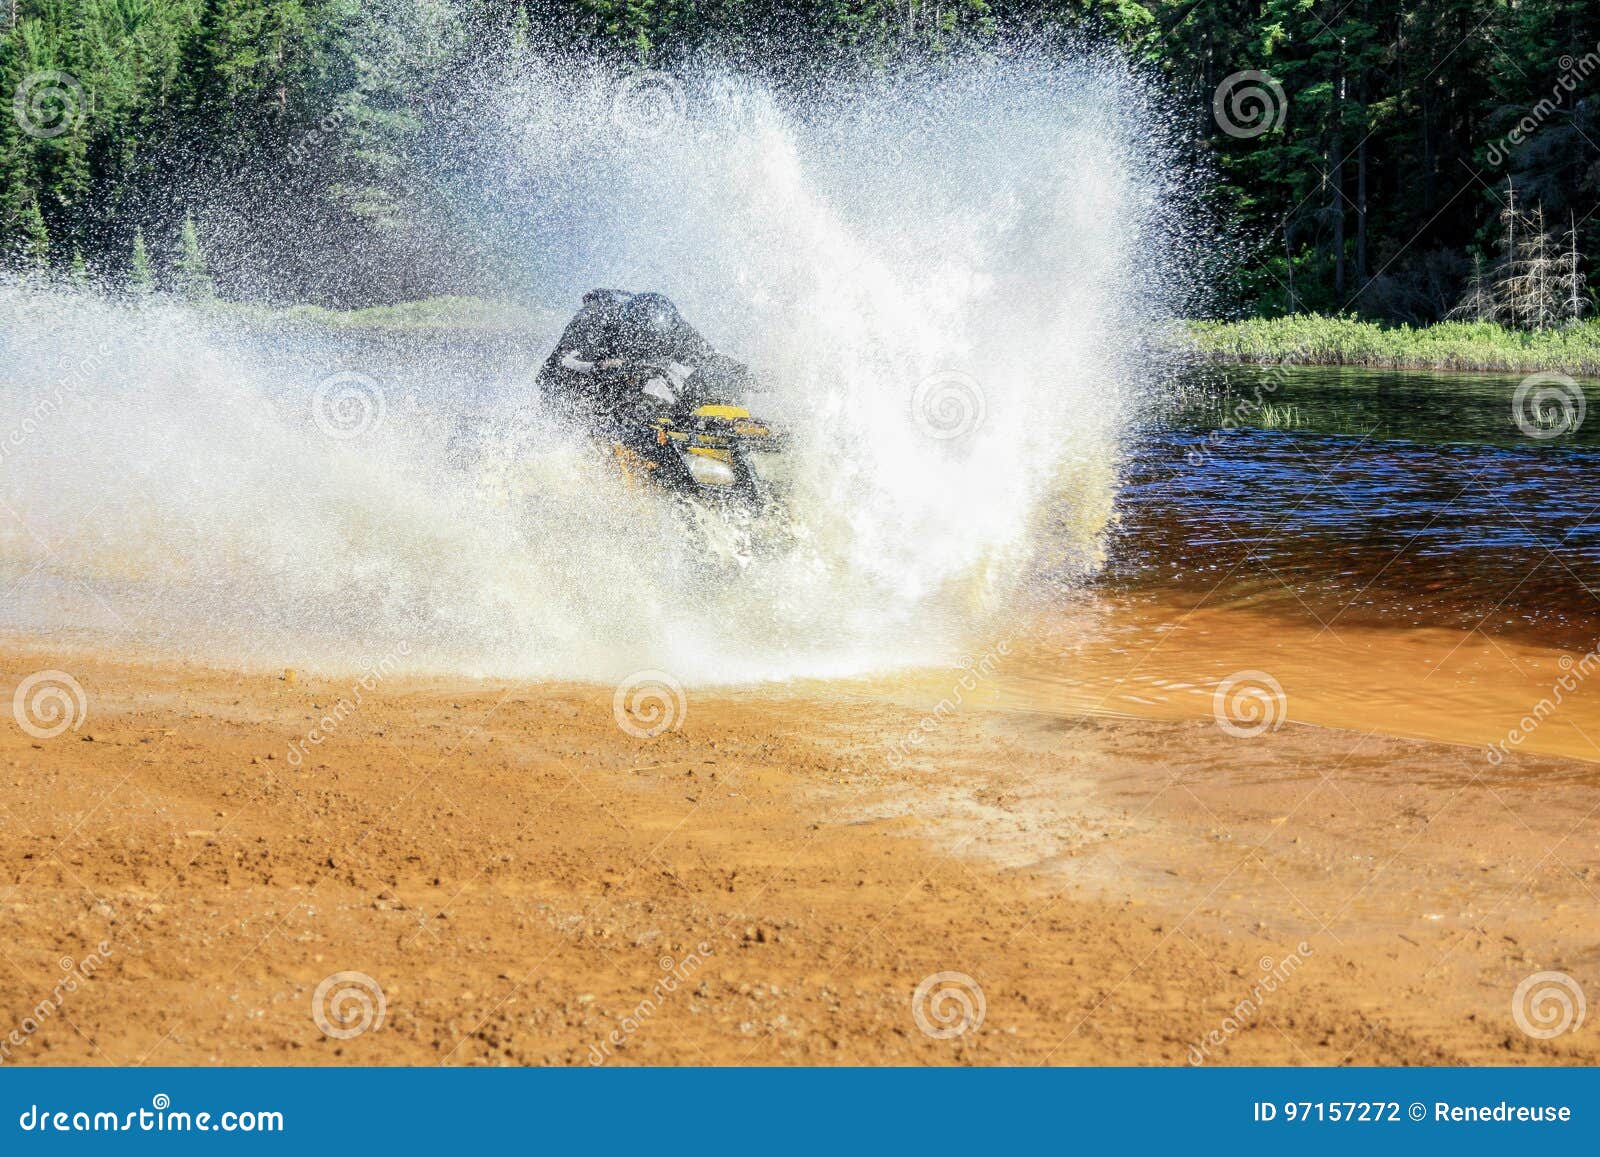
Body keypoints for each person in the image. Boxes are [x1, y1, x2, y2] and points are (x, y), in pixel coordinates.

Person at [537, 289, 748, 430]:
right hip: (574, 384)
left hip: (629, 387)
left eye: (657, 345)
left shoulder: (675, 330)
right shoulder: (594, 321)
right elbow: (558, 365)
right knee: (593, 412)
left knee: (665, 410)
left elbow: (710, 359)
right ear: (627, 330)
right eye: (643, 343)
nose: (650, 350)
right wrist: (601, 366)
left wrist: (744, 374)